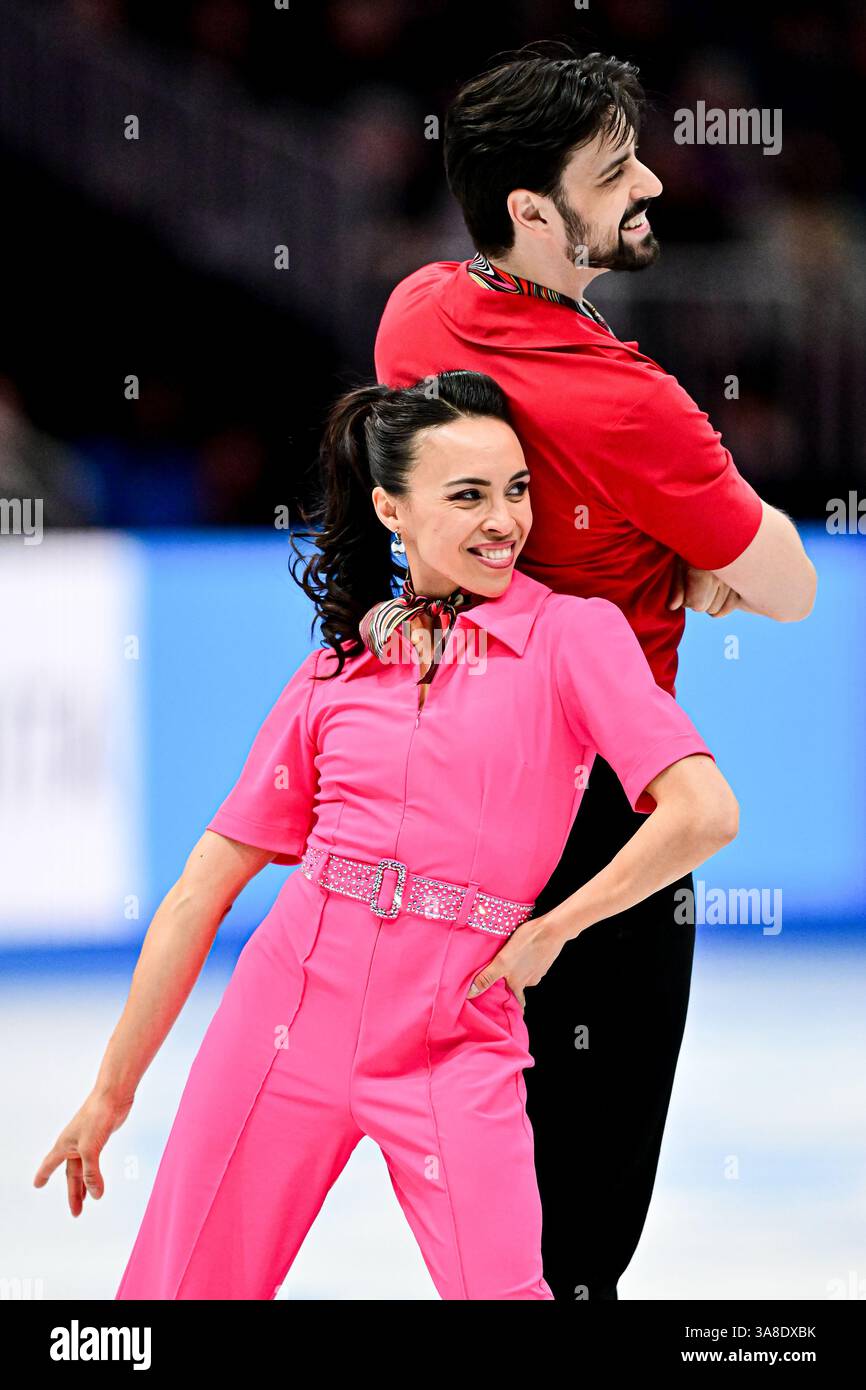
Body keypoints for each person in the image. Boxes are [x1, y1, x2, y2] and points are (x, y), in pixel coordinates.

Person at [34, 371, 738, 1301]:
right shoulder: (338, 667)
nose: (505, 521)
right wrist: (111, 1092)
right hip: (288, 1012)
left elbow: (705, 810)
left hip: (459, 1029)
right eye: (469, 495)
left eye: (516, 489)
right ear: (391, 509)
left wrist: (557, 927)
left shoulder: (576, 638)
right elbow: (202, 889)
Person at [374, 44, 817, 1300]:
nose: (652, 190)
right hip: (593, 824)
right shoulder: (633, 408)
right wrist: (693, 558)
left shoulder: (416, 313)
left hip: (445, 796)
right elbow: (789, 585)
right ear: (530, 210)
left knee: (487, 1193)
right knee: (577, 1236)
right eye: (614, 172)